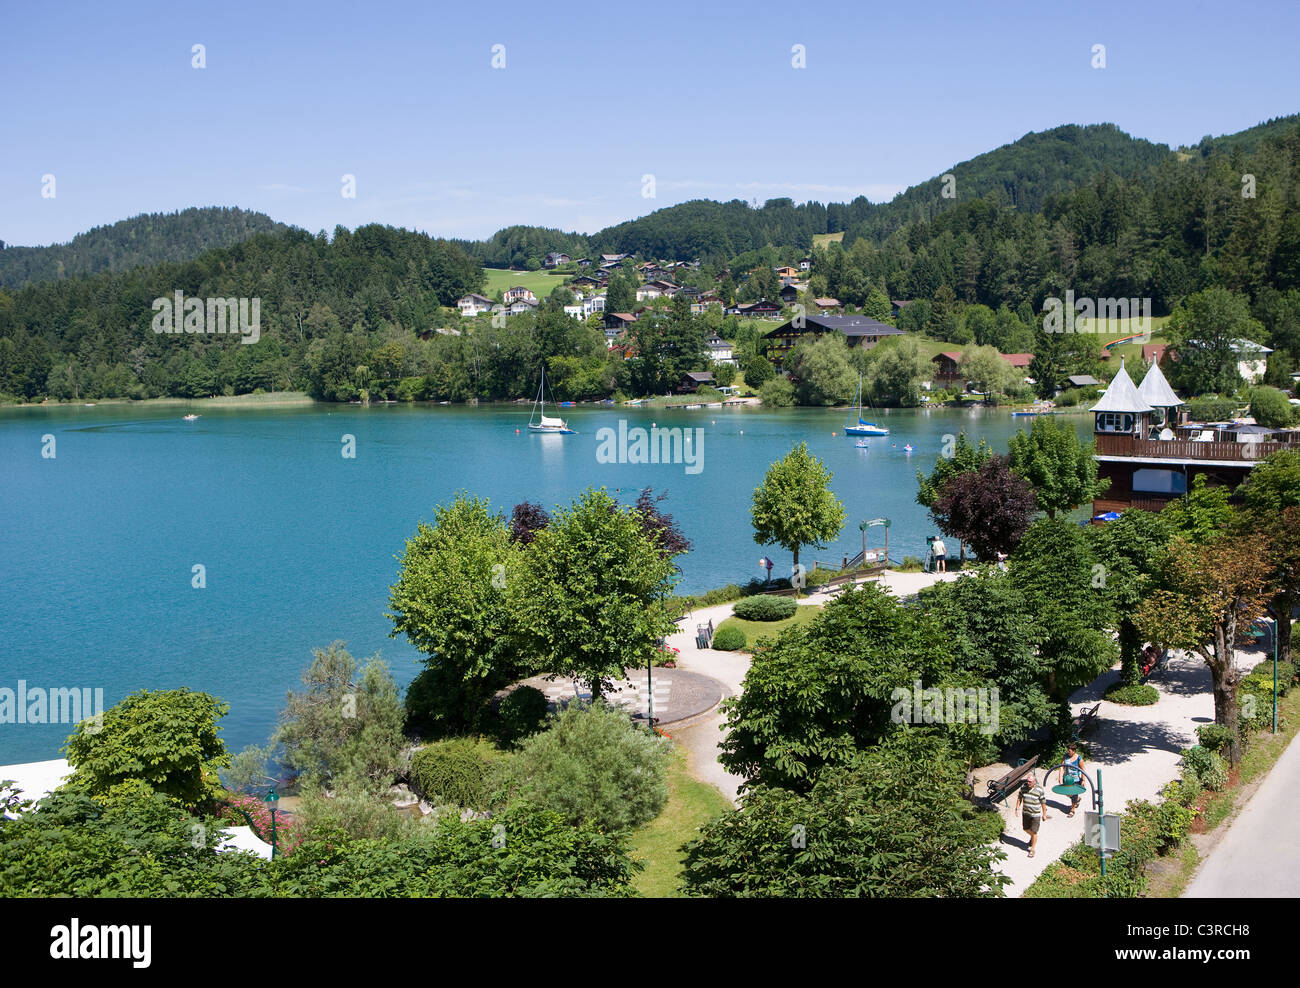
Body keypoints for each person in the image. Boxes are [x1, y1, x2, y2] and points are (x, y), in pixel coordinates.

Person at [1015, 776, 1050, 857]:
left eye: (1030, 781)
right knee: (1025, 829)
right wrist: (1017, 808)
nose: (1028, 783)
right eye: (1027, 781)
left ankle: (1032, 849)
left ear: (1034, 782)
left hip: (1035, 815)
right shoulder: (1023, 788)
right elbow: (1019, 797)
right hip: (1026, 813)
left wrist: (1044, 814)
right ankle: (1033, 837)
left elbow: (1043, 802)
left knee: (1034, 832)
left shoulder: (1039, 790)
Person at [1060, 743, 1085, 818]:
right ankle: (1077, 799)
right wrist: (1060, 778)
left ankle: (1072, 810)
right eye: (1068, 750)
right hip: (1067, 779)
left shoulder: (1079, 758)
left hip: (1076, 780)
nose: (1068, 752)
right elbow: (1061, 767)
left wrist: (1083, 780)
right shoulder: (1065, 757)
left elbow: (1083, 769)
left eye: (1070, 751)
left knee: (1073, 794)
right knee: (1067, 793)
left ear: (1074, 751)